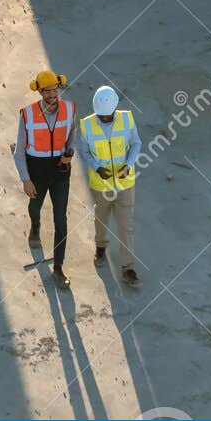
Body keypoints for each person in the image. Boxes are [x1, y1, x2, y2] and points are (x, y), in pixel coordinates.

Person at [14, 70, 76, 290]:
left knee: (61, 219)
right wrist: (25, 180)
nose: (52, 94)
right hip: (37, 172)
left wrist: (70, 154)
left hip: (60, 172)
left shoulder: (69, 109)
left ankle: (58, 269)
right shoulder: (28, 114)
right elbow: (19, 152)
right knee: (35, 206)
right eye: (47, 91)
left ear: (59, 88)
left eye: (55, 89)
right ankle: (35, 225)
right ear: (39, 91)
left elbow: (71, 137)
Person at [77, 85, 142, 286]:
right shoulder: (86, 125)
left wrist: (128, 165)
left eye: (107, 116)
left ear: (114, 109)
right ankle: (100, 247)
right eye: (101, 116)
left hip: (124, 184)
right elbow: (84, 151)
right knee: (101, 219)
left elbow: (136, 144)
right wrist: (97, 168)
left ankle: (128, 267)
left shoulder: (127, 119)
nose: (104, 119)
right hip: (101, 184)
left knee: (126, 226)